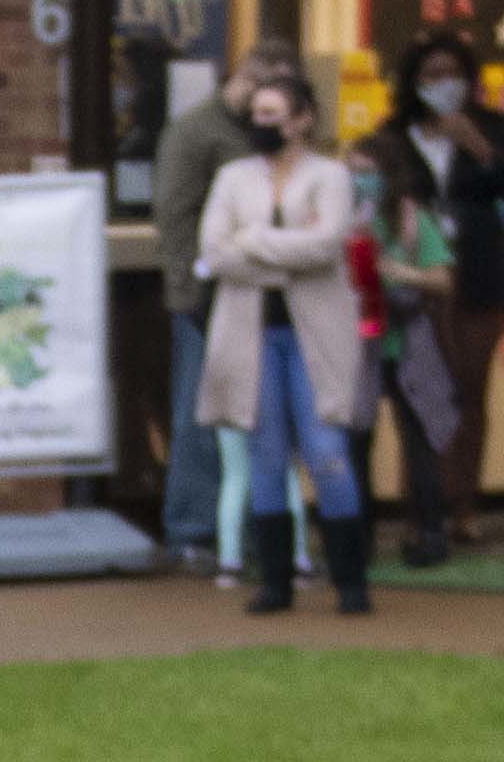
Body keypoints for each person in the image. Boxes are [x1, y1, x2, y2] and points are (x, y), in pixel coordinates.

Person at [190, 51, 373, 616]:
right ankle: (275, 583)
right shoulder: (232, 178)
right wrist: (281, 253)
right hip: (252, 336)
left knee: (326, 452)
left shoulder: (330, 176)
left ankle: (350, 581)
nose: (260, 123)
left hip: (315, 336)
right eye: (255, 113)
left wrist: (253, 242)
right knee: (265, 454)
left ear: (301, 120)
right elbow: (215, 252)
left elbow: (327, 245)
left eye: (271, 114)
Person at [367, 52, 504, 566]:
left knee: (469, 390)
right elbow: (376, 192)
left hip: (479, 276)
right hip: (413, 281)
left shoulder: (491, 127)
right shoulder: (393, 134)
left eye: (454, 73)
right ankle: (421, 510)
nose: (444, 84)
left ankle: (464, 505)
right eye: (432, 75)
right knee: (419, 393)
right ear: (413, 82)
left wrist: (480, 148)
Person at [136, 34, 238, 567]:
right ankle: (194, 528)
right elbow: (176, 221)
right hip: (205, 294)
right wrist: (188, 287)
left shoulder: (257, 138)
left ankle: (247, 528)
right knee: (197, 412)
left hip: (254, 297)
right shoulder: (196, 132)